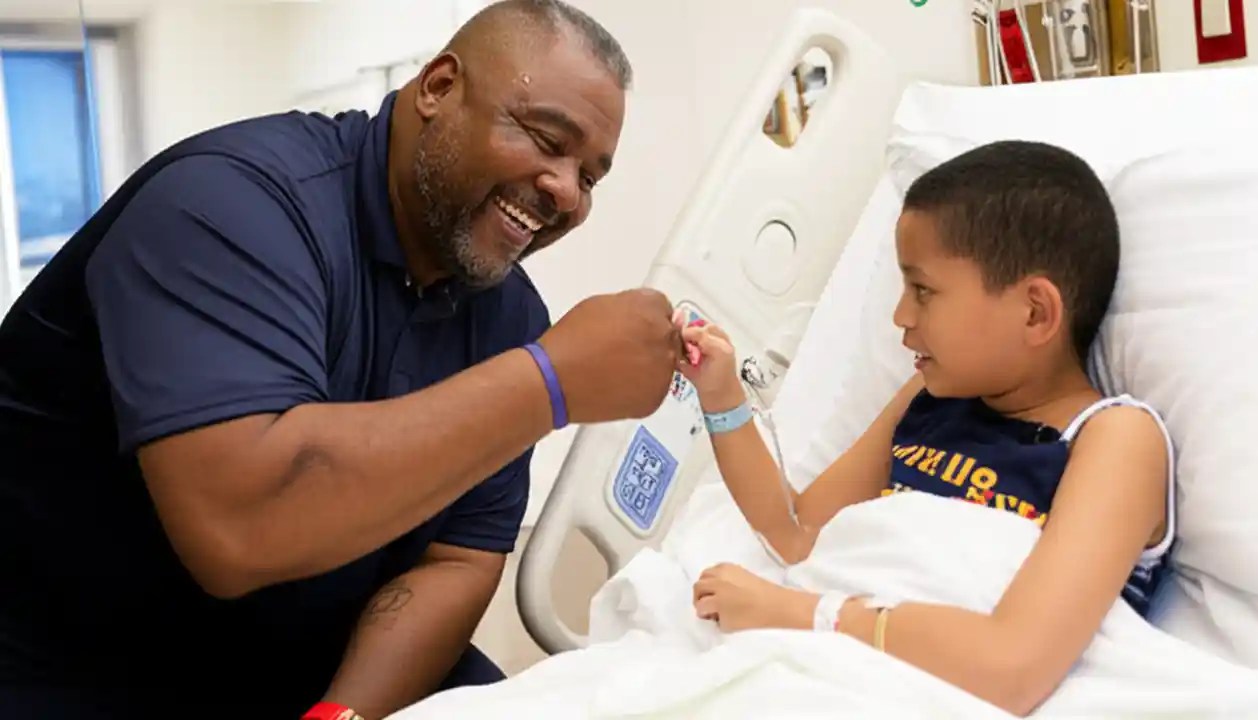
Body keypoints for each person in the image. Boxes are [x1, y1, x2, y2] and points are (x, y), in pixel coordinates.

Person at [0, 1, 681, 718]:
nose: (566, 191)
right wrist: (550, 383)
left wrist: (341, 715)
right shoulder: (228, 207)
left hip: (304, 659)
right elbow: (240, 529)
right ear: (439, 87)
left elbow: (456, 561)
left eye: (591, 176)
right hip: (65, 660)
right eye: (547, 138)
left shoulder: (509, 315)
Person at [677, 141, 1175, 717]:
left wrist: (804, 614)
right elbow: (796, 533)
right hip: (835, 673)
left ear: (1035, 312)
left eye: (923, 290)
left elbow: (1013, 665)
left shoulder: (1116, 438)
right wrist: (720, 396)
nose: (900, 317)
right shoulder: (927, 400)